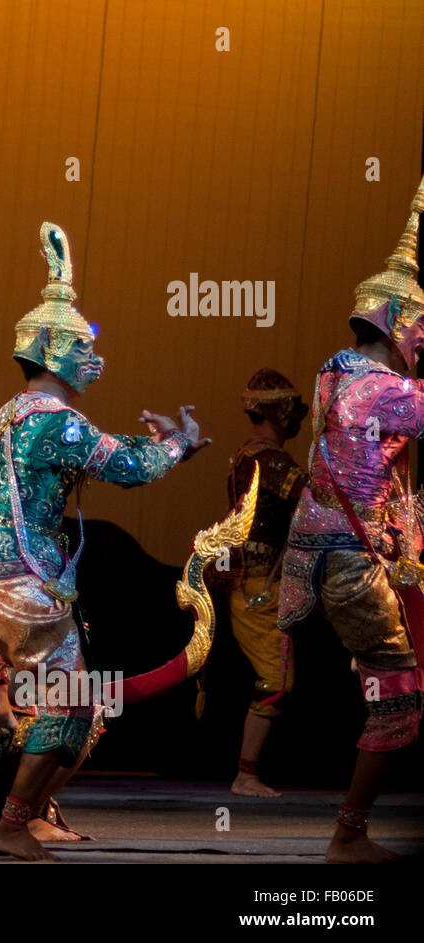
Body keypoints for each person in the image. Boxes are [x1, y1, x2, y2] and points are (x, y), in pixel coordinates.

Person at [0, 223, 208, 860]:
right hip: (20, 582)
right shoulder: (56, 422)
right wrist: (178, 443)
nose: (94, 356)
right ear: (52, 351)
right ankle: (14, 824)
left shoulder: (15, 413)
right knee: (71, 705)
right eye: (84, 344)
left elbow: (110, 452)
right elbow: (128, 466)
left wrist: (157, 444)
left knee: (37, 704)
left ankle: (12, 813)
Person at [277, 177, 424, 864]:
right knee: (399, 698)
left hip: (329, 551)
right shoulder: (382, 391)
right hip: (353, 561)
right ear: (398, 322)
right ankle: (350, 834)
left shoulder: (333, 375)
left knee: (389, 688)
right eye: (419, 325)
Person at [220, 369, 308, 797]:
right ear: (279, 413)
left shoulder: (247, 454)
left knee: (278, 679)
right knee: (276, 682)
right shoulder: (271, 461)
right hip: (259, 586)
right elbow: (313, 501)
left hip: (260, 584)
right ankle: (246, 774)